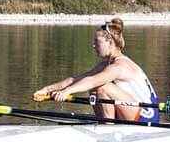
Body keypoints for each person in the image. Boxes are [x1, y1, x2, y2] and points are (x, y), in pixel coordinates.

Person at [32, 17, 160, 123]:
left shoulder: (120, 66)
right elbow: (76, 79)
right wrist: (47, 90)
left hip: (147, 116)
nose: (93, 45)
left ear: (109, 42)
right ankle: (104, 123)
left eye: (97, 41)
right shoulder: (107, 64)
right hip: (132, 112)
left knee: (102, 87)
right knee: (94, 88)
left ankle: (107, 129)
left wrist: (67, 92)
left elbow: (93, 81)